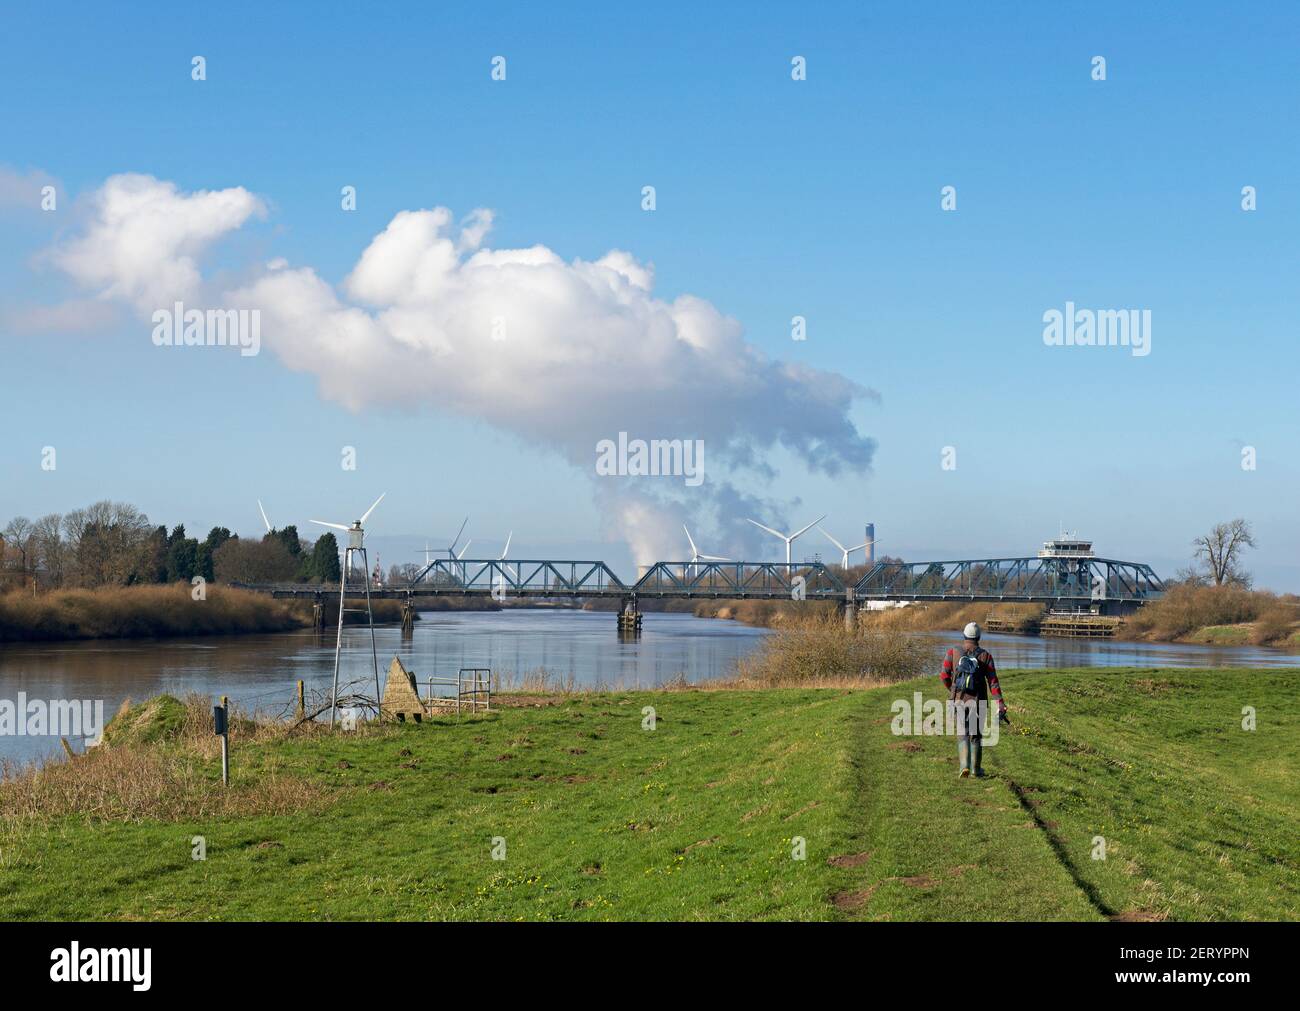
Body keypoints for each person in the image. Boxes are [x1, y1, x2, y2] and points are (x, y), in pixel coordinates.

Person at [940, 622, 1008, 778]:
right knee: (976, 735)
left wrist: (953, 690)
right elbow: (993, 682)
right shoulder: (986, 656)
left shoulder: (952, 652)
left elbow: (944, 675)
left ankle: (964, 766)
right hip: (979, 702)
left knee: (962, 733)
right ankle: (976, 770)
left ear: (964, 636)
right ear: (979, 637)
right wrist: (1000, 703)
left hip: (958, 700)